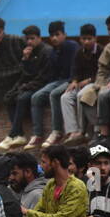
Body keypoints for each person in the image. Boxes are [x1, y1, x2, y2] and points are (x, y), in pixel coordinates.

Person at [0, 24, 51, 150]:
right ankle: (19, 133)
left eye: (32, 38)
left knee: (22, 98)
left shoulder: (46, 51)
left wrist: (27, 86)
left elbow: (44, 76)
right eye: (27, 39)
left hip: (42, 85)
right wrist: (26, 60)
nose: (29, 42)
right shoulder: (30, 52)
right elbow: (27, 74)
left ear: (39, 38)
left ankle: (12, 133)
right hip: (31, 84)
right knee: (9, 98)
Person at [35, 21, 78, 149]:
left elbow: (76, 67)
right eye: (51, 35)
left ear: (64, 34)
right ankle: (37, 134)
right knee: (36, 96)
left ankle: (57, 130)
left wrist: (73, 80)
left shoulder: (72, 46)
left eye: (57, 34)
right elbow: (51, 74)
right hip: (58, 81)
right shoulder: (52, 52)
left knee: (54, 94)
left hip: (71, 80)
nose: (54, 38)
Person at [57, 24, 101, 146]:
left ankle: (83, 130)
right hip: (80, 84)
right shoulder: (79, 52)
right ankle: (73, 131)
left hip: (95, 83)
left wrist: (88, 81)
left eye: (89, 39)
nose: (86, 42)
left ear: (95, 38)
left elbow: (103, 71)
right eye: (83, 39)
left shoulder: (101, 51)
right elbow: (75, 70)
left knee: (81, 95)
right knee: (65, 97)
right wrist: (74, 81)